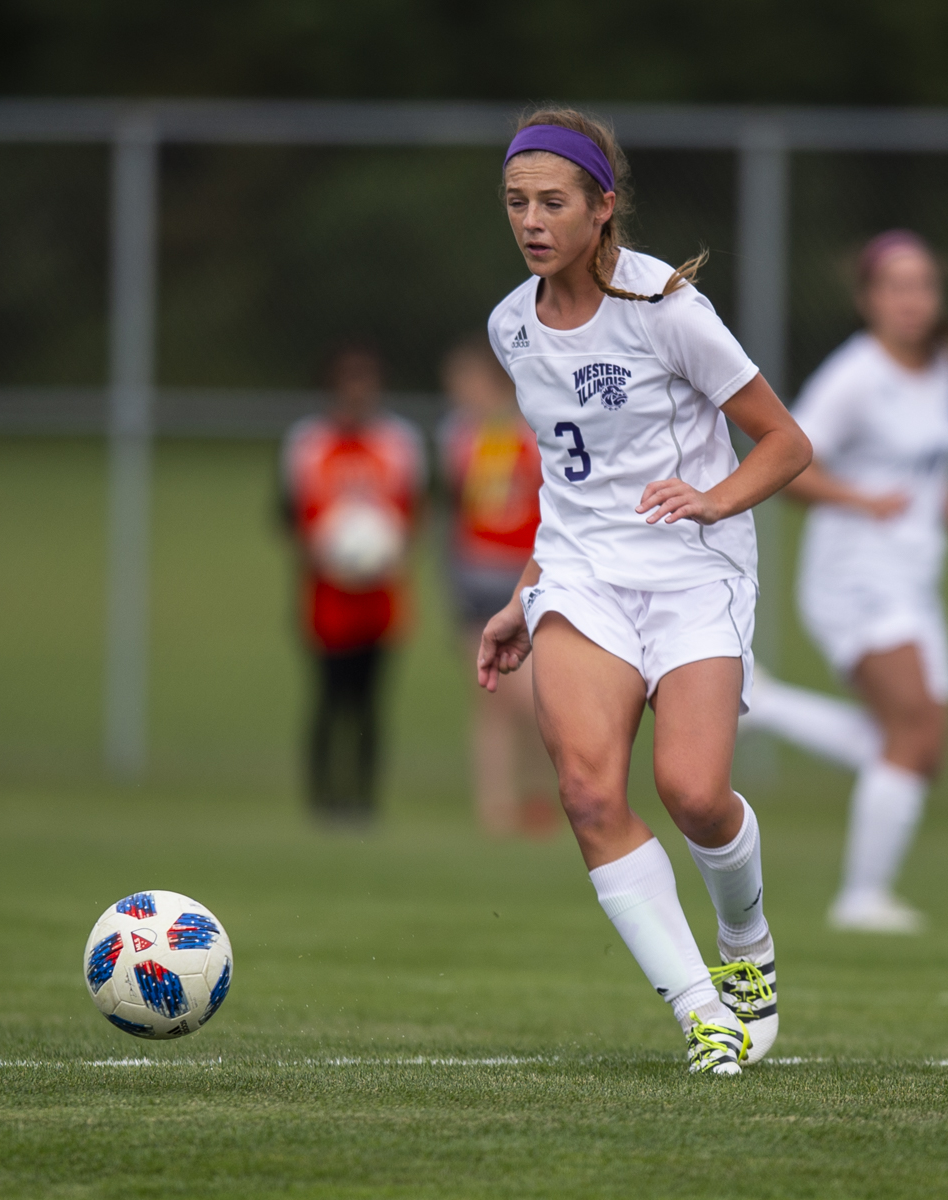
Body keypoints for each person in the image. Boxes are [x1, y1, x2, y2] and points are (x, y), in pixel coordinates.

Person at [475, 108, 811, 1075]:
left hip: (692, 569)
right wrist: (522, 594)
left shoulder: (665, 307)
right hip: (582, 577)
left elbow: (787, 443)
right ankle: (701, 1010)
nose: (531, 221)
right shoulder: (511, 326)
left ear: (601, 208)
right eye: (514, 203)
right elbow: (567, 485)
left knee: (693, 793)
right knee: (587, 791)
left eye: (551, 202)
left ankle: (745, 943)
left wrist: (711, 500)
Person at [740, 230, 948, 933]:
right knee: (912, 731)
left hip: (912, 577)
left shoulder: (944, 365)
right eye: (896, 286)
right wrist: (861, 502)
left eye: (922, 284)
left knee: (922, 748)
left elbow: (928, 469)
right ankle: (861, 898)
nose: (912, 299)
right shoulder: (853, 376)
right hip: (853, 575)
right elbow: (790, 463)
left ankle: (763, 703)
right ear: (868, 299)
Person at [280, 342, 425, 825]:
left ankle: (364, 799)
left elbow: (414, 512)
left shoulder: (399, 443)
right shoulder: (308, 443)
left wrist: (389, 550)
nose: (357, 393)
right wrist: (322, 551)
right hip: (325, 597)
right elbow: (287, 515)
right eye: (349, 382)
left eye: (366, 382)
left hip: (381, 598)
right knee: (327, 697)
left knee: (370, 703)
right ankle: (323, 799)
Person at [436, 337, 557, 837]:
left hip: (523, 576)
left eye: (468, 383)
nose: (461, 393)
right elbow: (454, 508)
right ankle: (495, 807)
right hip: (474, 578)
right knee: (488, 696)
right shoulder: (457, 437)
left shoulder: (531, 433)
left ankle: (542, 792)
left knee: (533, 699)